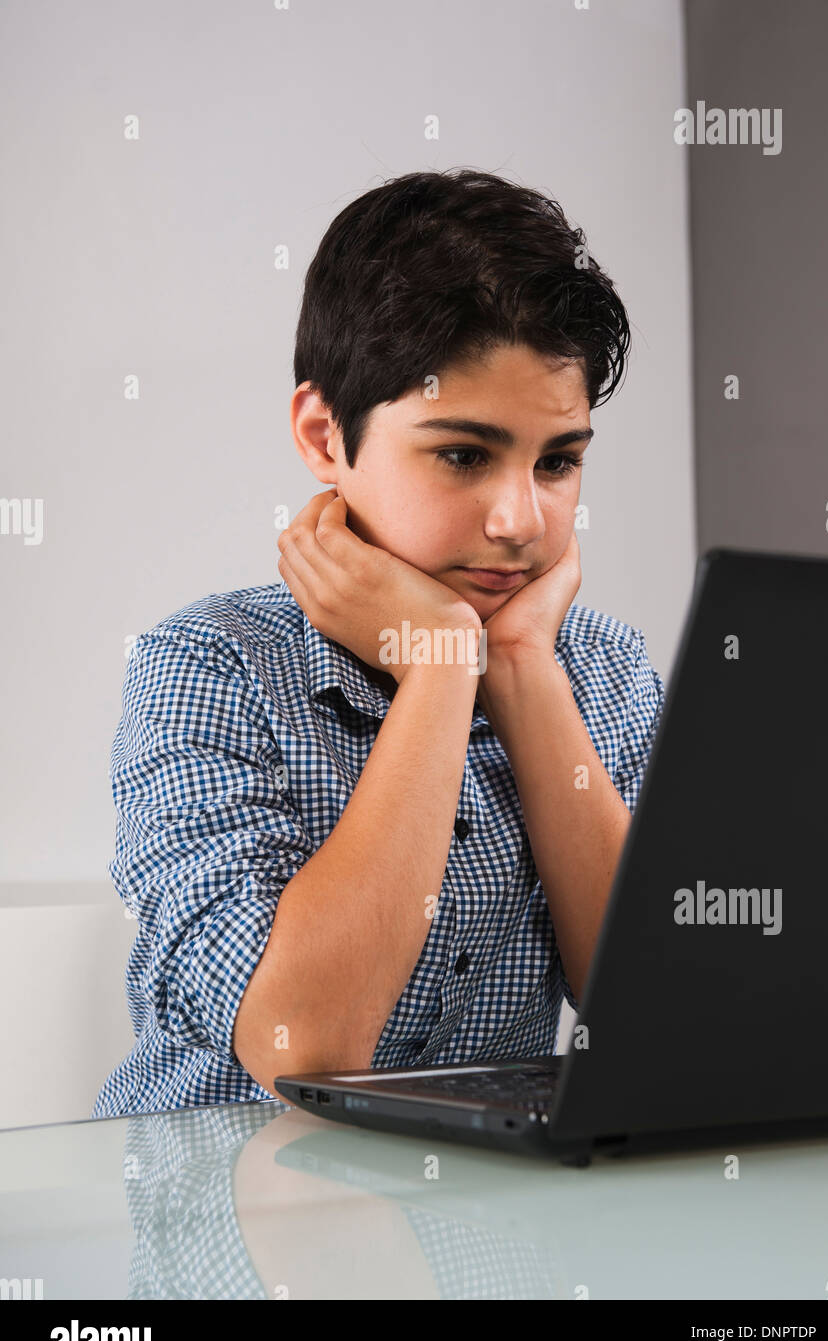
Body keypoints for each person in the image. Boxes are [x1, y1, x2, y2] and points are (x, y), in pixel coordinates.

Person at [92, 168, 665, 1119]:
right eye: (463, 455)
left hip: (489, 1243)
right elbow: (303, 1051)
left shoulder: (597, 669)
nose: (521, 520)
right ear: (325, 436)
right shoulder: (209, 668)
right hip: (230, 1223)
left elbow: (661, 1023)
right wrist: (441, 666)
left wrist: (521, 672)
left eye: (558, 461)